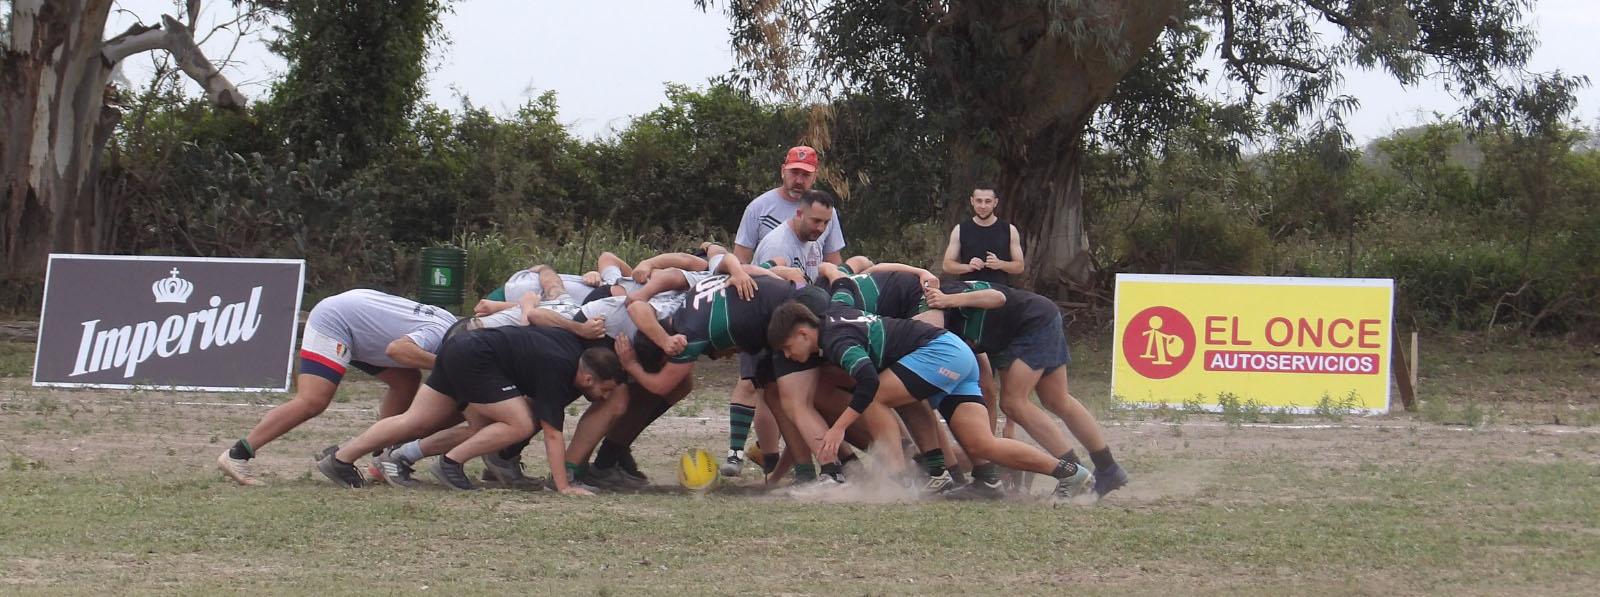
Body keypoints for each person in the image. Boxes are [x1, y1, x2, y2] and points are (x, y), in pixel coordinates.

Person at [766, 303, 1093, 501]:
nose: (787, 356)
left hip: (940, 352)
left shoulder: (836, 340)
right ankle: (1069, 474)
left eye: (786, 347)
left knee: (877, 394)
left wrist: (838, 429)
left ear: (804, 334)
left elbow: (866, 382)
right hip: (954, 353)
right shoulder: (836, 316)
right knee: (982, 445)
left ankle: (896, 480)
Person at [316, 325, 625, 493]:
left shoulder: (572, 349)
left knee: (433, 423)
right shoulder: (558, 372)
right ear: (587, 377)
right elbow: (553, 435)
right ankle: (450, 464)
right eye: (604, 390)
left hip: (463, 346)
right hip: (476, 358)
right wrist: (564, 486)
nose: (601, 398)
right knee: (520, 423)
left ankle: (345, 459)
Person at [215, 289, 456, 486]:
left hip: (360, 323)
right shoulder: (438, 334)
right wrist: (444, 365)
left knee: (406, 381)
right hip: (337, 321)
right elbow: (397, 350)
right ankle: (237, 455)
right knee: (313, 400)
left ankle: (381, 457)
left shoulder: (452, 326)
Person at [928, 281, 1130, 499]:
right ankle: (1108, 468)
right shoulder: (937, 327)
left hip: (1034, 322)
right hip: (1026, 326)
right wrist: (999, 436)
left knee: (1015, 403)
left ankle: (1076, 474)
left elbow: (998, 297)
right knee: (1056, 400)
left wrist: (949, 300)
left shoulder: (942, 297)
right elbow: (986, 385)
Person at [725, 146, 848, 477]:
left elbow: (832, 262)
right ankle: (748, 456)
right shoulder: (761, 209)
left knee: (789, 393)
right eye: (794, 172)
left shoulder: (823, 209)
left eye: (806, 174)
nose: (799, 179)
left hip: (804, 312)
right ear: (783, 170)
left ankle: (791, 467)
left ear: (815, 176)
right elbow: (740, 261)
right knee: (756, 383)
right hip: (766, 306)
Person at [942, 183, 1024, 286]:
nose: (983, 206)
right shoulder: (960, 229)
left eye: (988, 201)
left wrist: (1000, 264)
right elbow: (947, 265)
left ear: (995, 202)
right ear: (972, 201)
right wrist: (968, 267)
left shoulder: (1010, 230)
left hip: (999, 290)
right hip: (968, 289)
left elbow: (1020, 266)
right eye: (979, 201)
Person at [752, 189, 837, 284]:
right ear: (799, 214)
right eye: (816, 221)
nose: (821, 228)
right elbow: (771, 293)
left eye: (826, 222)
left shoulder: (811, 235)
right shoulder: (778, 247)